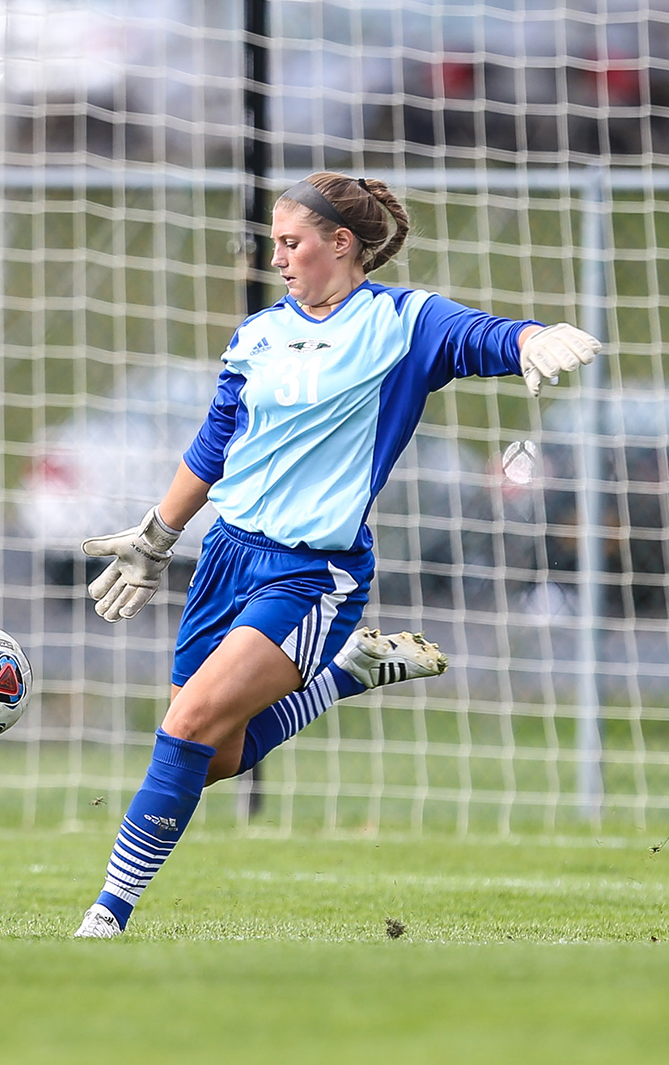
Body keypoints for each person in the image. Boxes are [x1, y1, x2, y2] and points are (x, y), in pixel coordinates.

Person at [72, 172, 601, 938]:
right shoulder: (256, 334)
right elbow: (216, 444)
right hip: (226, 557)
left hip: (310, 574)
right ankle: (343, 676)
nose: (279, 257)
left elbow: (481, 334)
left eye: (292, 242)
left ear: (341, 243)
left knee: (185, 727)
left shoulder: (401, 323)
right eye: (277, 243)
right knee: (213, 756)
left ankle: (105, 918)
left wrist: (531, 338)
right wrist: (157, 535)